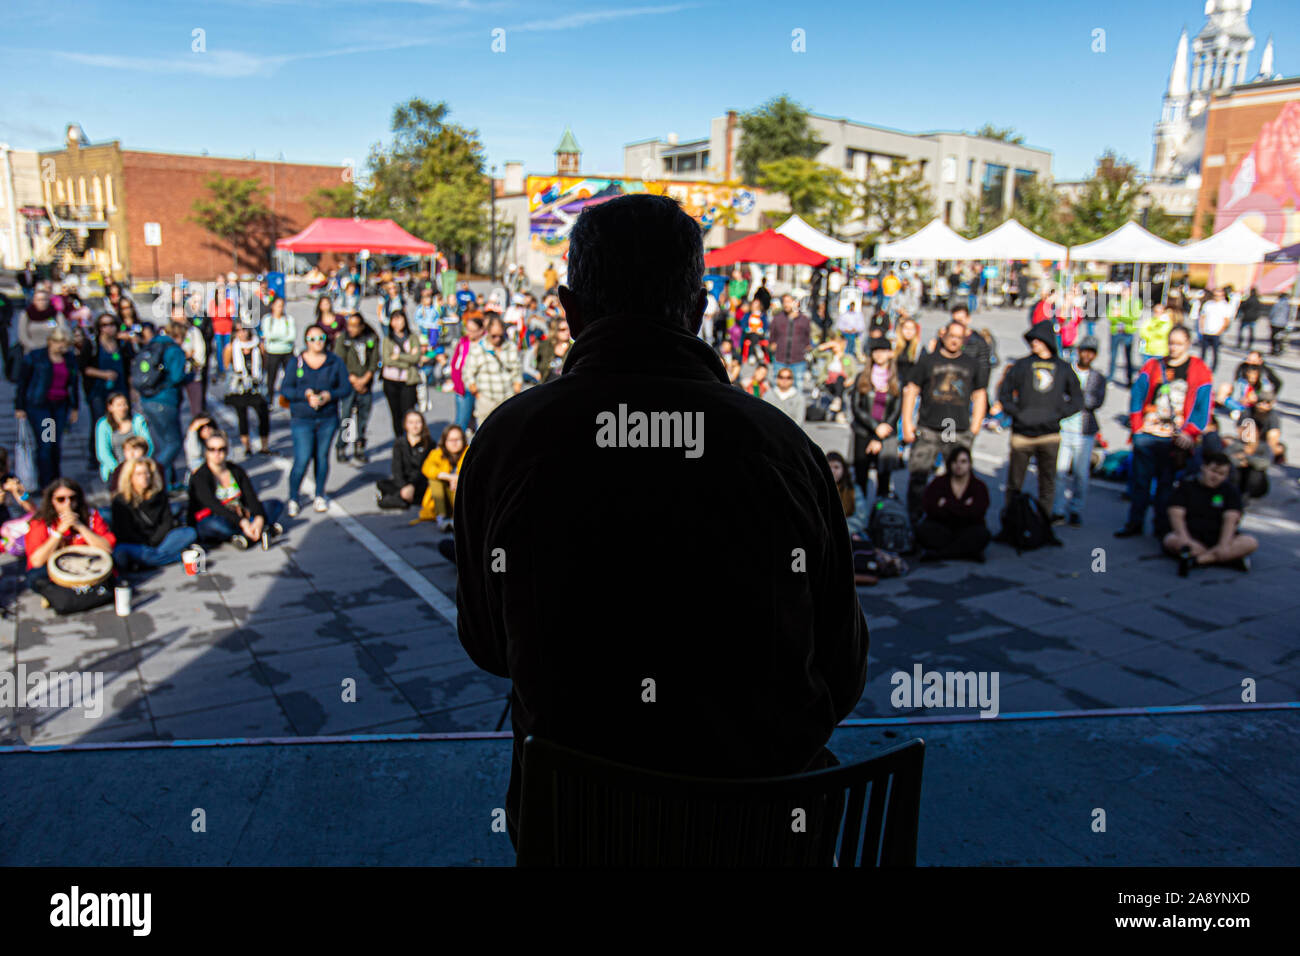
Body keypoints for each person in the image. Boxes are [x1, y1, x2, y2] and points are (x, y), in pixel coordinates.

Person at [454, 194, 868, 848]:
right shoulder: (782, 448)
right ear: (700, 311)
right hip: (760, 833)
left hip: (576, 826)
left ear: (569, 310)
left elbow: (486, 645)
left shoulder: (510, 443)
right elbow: (841, 673)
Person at [1116, 325, 1213, 539]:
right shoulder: (1153, 365)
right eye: (1171, 343)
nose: (1174, 348)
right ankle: (1135, 522)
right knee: (1140, 482)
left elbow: (1204, 405)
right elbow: (1137, 394)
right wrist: (1137, 426)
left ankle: (1162, 525)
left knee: (1166, 485)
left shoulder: (1198, 369)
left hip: (1175, 438)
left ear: (1188, 344)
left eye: (1179, 343)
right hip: (1148, 432)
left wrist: (1191, 432)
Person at [902, 320, 988, 525]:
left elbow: (980, 394)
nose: (954, 341)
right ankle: (916, 520)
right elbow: (912, 390)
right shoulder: (928, 361)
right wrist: (906, 422)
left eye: (959, 338)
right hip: (929, 427)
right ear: (943, 335)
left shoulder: (971, 364)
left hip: (958, 429)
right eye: (951, 336)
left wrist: (976, 425)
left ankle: (954, 518)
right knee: (918, 476)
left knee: (959, 477)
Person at [998, 319, 1084, 522]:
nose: (1034, 343)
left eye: (1037, 339)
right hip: (1022, 434)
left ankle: (1044, 525)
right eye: (1032, 340)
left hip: (1049, 435)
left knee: (1047, 482)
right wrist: (1017, 413)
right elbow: (1004, 392)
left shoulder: (1063, 368)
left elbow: (1077, 398)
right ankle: (1012, 523)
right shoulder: (1022, 365)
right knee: (1014, 483)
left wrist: (1057, 414)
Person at [282, 324, 352, 515]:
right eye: (312, 339)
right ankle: (294, 497)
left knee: (321, 458)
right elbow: (285, 389)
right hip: (302, 418)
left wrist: (329, 395)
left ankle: (319, 494)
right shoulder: (296, 362)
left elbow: (345, 388)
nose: (317, 342)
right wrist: (304, 394)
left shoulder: (334, 362)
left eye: (320, 338)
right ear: (306, 341)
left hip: (327, 418)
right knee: (302, 458)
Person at [24, 478, 116, 611]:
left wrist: (80, 527)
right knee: (34, 576)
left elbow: (107, 548)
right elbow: (36, 561)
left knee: (119, 558)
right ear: (52, 501)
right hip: (57, 569)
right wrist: (59, 532)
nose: (68, 504)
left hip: (86, 566)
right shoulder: (41, 522)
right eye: (61, 500)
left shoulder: (91, 516)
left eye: (72, 498)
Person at [1163, 452, 1257, 575]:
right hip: (1192, 536)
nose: (1216, 477)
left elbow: (1231, 519)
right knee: (1170, 540)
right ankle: (1226, 559)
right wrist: (1186, 540)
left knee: (1250, 542)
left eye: (1221, 474)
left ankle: (1199, 560)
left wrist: (1223, 545)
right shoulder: (1186, 486)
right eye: (1213, 471)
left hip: (1220, 537)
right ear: (1204, 467)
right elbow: (1176, 515)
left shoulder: (1230, 491)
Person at [187, 429, 283, 549]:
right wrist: (242, 522)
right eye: (212, 449)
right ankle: (260, 531)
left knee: (275, 505)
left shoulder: (236, 470)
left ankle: (249, 534)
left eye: (221, 449)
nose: (217, 453)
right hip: (218, 517)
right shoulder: (200, 476)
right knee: (214, 525)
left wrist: (258, 517)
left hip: (242, 515)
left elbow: (251, 497)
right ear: (206, 452)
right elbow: (213, 505)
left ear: (227, 451)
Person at [15, 328, 81, 488]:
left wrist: (74, 407)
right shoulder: (36, 357)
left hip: (60, 405)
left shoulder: (69, 359)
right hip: (41, 406)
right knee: (47, 443)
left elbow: (73, 384)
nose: (62, 347)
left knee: (54, 444)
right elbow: (23, 382)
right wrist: (19, 406)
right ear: (51, 341)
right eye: (59, 343)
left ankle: (55, 480)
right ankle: (47, 482)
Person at [111, 457, 199, 569]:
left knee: (189, 532)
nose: (144, 477)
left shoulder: (159, 494)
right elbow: (124, 531)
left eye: (147, 473)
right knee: (120, 551)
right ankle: (176, 557)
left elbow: (167, 523)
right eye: (138, 474)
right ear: (130, 477)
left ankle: (149, 561)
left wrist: (153, 543)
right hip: (137, 545)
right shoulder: (120, 501)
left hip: (159, 541)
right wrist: (146, 545)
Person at [133, 321, 190, 489]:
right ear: (178, 336)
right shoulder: (174, 350)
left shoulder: (153, 344)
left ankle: (166, 483)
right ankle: (154, 472)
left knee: (163, 442)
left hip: (148, 399)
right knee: (174, 443)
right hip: (166, 400)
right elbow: (177, 377)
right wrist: (190, 374)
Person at [915, 446, 991, 562]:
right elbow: (930, 508)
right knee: (923, 530)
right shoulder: (938, 483)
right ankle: (964, 552)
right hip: (942, 527)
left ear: (970, 464)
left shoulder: (978, 486)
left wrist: (947, 504)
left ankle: (941, 554)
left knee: (982, 535)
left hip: (968, 528)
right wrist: (963, 507)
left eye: (963, 462)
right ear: (950, 464)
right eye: (955, 462)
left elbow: (978, 512)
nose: (959, 466)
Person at [849, 336, 901, 500]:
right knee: (860, 477)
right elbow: (856, 407)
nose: (879, 355)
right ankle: (860, 512)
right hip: (863, 431)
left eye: (883, 351)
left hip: (886, 434)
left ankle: (880, 512)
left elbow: (896, 410)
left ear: (890, 354)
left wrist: (880, 434)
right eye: (876, 351)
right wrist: (875, 427)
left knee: (883, 479)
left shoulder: (897, 380)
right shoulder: (862, 377)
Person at [333, 312, 380, 464]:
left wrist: (366, 378)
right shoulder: (343, 339)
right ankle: (342, 446)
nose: (351, 328)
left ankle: (359, 446)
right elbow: (339, 361)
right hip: (349, 384)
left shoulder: (371, 338)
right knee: (347, 417)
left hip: (366, 383)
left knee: (363, 417)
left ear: (362, 326)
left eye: (355, 326)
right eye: (349, 325)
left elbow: (374, 361)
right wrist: (353, 380)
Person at [463, 315, 523, 427]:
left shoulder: (510, 347)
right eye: (494, 336)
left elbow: (517, 369)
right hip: (486, 399)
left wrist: (517, 386)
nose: (498, 339)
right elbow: (468, 372)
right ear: (488, 332)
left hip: (507, 397)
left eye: (500, 336)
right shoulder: (478, 348)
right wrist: (474, 390)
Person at [224, 322, 271, 457]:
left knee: (263, 414)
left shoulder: (258, 345)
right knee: (242, 417)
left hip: (256, 385)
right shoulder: (231, 347)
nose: (242, 333)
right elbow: (227, 366)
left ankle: (264, 446)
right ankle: (247, 446)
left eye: (244, 330)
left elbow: (265, 362)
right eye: (238, 330)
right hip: (239, 386)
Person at [379, 309, 425, 440]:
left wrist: (398, 356)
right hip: (391, 381)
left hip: (408, 380)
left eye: (400, 319)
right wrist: (407, 361)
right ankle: (399, 439)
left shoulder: (412, 338)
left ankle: (410, 437)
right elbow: (387, 360)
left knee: (408, 411)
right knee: (396, 412)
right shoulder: (388, 340)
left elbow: (415, 358)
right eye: (395, 320)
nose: (398, 323)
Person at [377, 409, 433, 511]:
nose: (415, 426)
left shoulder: (429, 444)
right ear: (405, 425)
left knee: (429, 489)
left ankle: (402, 500)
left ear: (422, 424)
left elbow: (424, 469)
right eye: (411, 423)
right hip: (403, 481)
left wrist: (411, 485)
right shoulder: (400, 443)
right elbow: (396, 467)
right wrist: (404, 486)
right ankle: (405, 498)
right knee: (382, 483)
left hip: (420, 482)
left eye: (418, 422)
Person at [94, 391, 152, 485]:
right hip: (115, 469)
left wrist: (141, 465)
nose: (122, 408)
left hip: (137, 467)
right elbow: (103, 453)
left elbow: (148, 444)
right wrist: (118, 470)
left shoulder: (137, 420)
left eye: (125, 404)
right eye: (119, 405)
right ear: (110, 407)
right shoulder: (103, 425)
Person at [417, 423, 466, 528]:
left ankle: (458, 518)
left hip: (461, 496)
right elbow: (427, 468)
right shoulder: (437, 453)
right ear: (445, 441)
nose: (454, 443)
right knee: (434, 480)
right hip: (443, 497)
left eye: (458, 439)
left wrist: (459, 480)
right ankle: (442, 517)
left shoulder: (469, 453)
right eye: (451, 440)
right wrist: (449, 477)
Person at [768, 293, 812, 390]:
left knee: (798, 388)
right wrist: (772, 346)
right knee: (777, 389)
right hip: (780, 359)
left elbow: (807, 338)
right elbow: (772, 337)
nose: (786, 304)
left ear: (796, 303)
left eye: (788, 302)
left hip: (798, 360)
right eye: (784, 302)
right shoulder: (777, 319)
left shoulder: (804, 320)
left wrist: (807, 349)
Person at [449, 315, 484, 432]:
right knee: (461, 421)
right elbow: (455, 364)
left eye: (473, 330)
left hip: (481, 388)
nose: (469, 333)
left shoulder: (486, 344)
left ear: (481, 330)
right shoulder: (463, 343)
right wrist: (456, 381)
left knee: (481, 422)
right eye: (468, 329)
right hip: (464, 386)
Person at [260, 296, 296, 396]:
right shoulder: (267, 319)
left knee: (290, 376)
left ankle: (289, 397)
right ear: (273, 306)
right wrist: (283, 336)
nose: (280, 308)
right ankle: (269, 397)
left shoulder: (288, 319)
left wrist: (276, 337)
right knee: (271, 377)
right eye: (278, 306)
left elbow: (292, 336)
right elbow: (267, 335)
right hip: (273, 352)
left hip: (287, 351)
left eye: (282, 306)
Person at [18, 287, 71, 355]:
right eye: (39, 300)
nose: (42, 302)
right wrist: (33, 347)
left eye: (44, 299)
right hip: (33, 352)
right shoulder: (26, 314)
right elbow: (22, 335)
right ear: (34, 300)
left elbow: (63, 331)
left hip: (54, 352)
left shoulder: (56, 314)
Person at [1197, 287, 1234, 373]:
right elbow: (1203, 316)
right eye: (1215, 295)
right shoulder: (1208, 304)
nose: (1217, 297)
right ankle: (1200, 368)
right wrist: (1201, 328)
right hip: (1206, 331)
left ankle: (1213, 370)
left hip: (1216, 333)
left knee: (1215, 353)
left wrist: (1220, 331)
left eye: (1219, 295)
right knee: (1203, 352)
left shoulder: (1225, 306)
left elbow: (1226, 321)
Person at [1138, 301, 1173, 366]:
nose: (1157, 314)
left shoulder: (1168, 323)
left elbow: (1162, 333)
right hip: (1147, 351)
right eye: (1156, 311)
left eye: (1160, 312)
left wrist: (1151, 332)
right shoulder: (1149, 321)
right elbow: (1143, 332)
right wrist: (1153, 334)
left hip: (1160, 353)